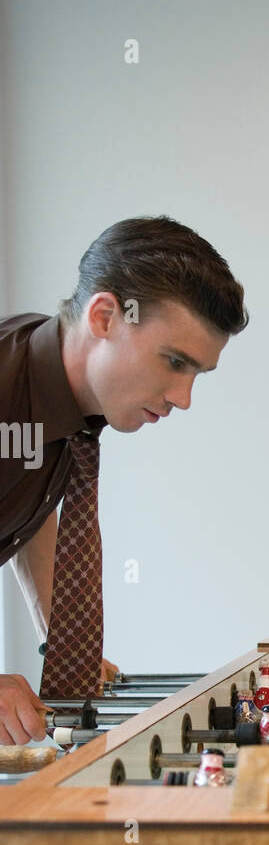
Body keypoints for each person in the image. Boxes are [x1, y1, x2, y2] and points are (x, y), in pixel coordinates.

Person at [0, 215, 247, 745]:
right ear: (105, 316)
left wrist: (60, 638)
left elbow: (23, 506)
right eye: (174, 362)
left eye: (196, 374)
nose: (182, 397)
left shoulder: (57, 399)